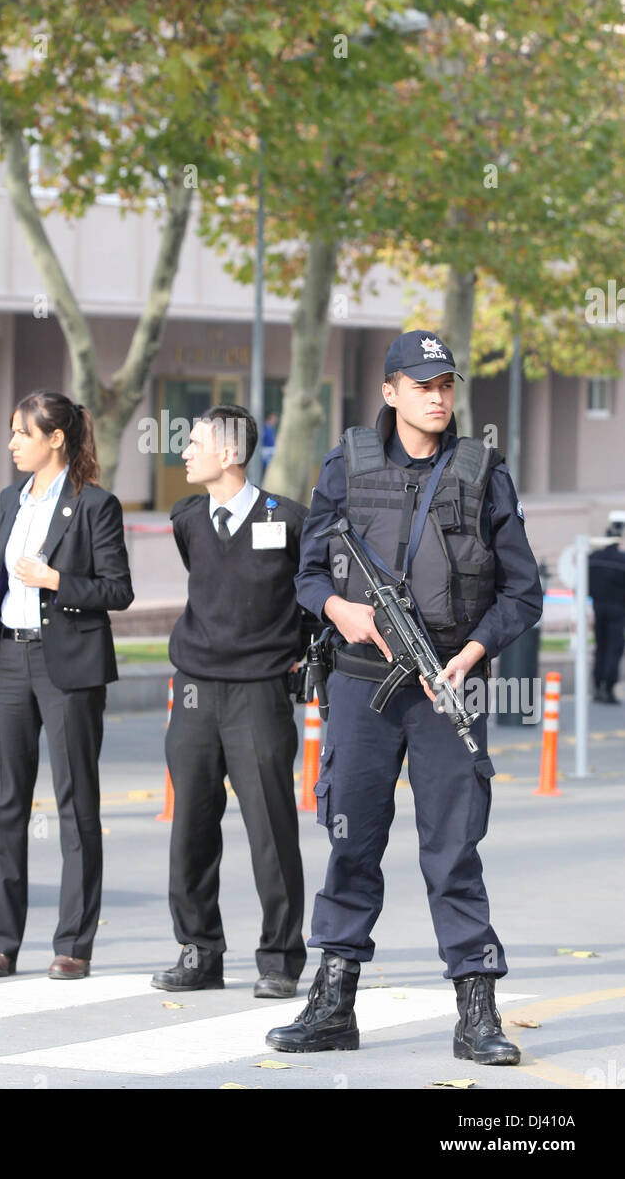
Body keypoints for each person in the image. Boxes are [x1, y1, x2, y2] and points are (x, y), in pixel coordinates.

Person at [265, 330, 543, 1063]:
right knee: (352, 840)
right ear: (389, 392)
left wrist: (474, 652)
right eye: (423, 386)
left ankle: (477, 1008)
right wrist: (340, 612)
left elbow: (523, 593)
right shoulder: (346, 465)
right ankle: (334, 1002)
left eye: (447, 385)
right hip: (362, 685)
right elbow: (309, 574)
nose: (439, 397)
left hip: (449, 685)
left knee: (454, 849)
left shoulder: (484, 473)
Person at [0, 391, 133, 980]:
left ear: (54, 438)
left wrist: (57, 578)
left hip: (69, 668)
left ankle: (73, 945)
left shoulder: (95, 505)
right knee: (7, 805)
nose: (11, 443)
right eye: (12, 433)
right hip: (8, 663)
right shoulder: (11, 499)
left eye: (21, 433)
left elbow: (118, 590)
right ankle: (1, 943)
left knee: (75, 803)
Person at [151, 404, 311, 999]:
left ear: (229, 453)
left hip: (259, 694)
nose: (185, 452)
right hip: (193, 689)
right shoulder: (187, 517)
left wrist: (299, 649)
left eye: (194, 443)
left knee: (270, 826)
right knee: (191, 824)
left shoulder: (289, 520)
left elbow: (315, 592)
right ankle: (199, 951)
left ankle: (279, 959)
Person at [589, 516, 625, 704]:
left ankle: (597, 687)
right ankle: (608, 689)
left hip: (598, 607)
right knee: (613, 649)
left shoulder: (593, 559)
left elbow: (584, 583)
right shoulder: (622, 560)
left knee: (600, 648)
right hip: (618, 610)